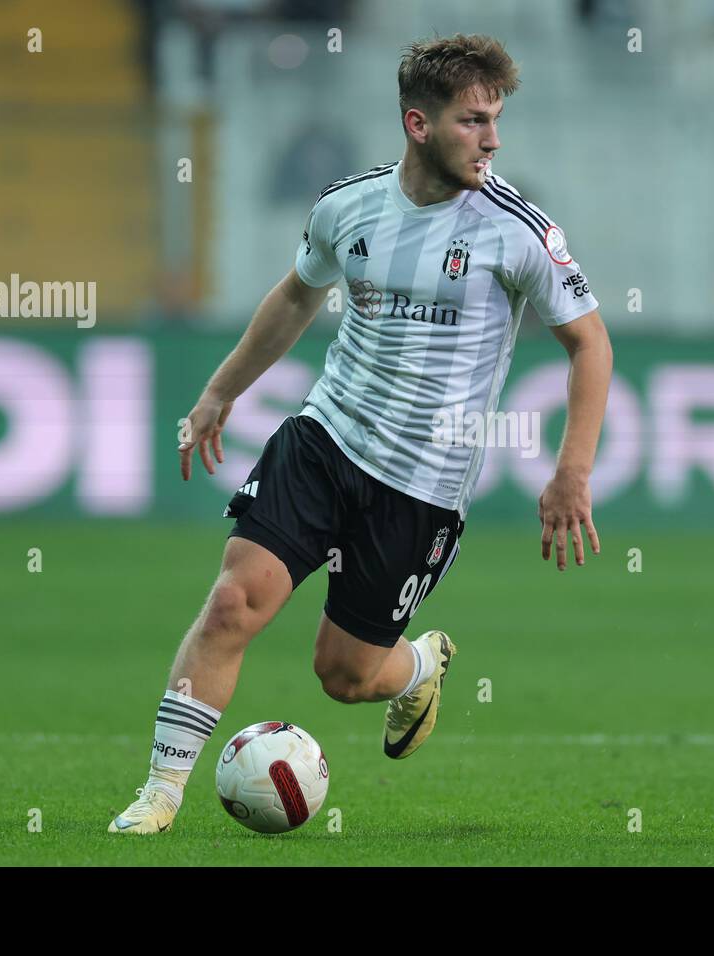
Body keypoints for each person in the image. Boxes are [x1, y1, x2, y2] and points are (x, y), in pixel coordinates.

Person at [109, 32, 612, 835]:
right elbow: (296, 296)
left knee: (344, 676)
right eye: (473, 121)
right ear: (419, 124)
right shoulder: (348, 207)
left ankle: (419, 663)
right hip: (326, 439)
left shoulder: (517, 229)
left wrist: (572, 472)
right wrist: (219, 392)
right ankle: (160, 794)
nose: (492, 139)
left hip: (422, 485)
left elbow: (590, 343)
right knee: (233, 603)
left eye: (495, 120)